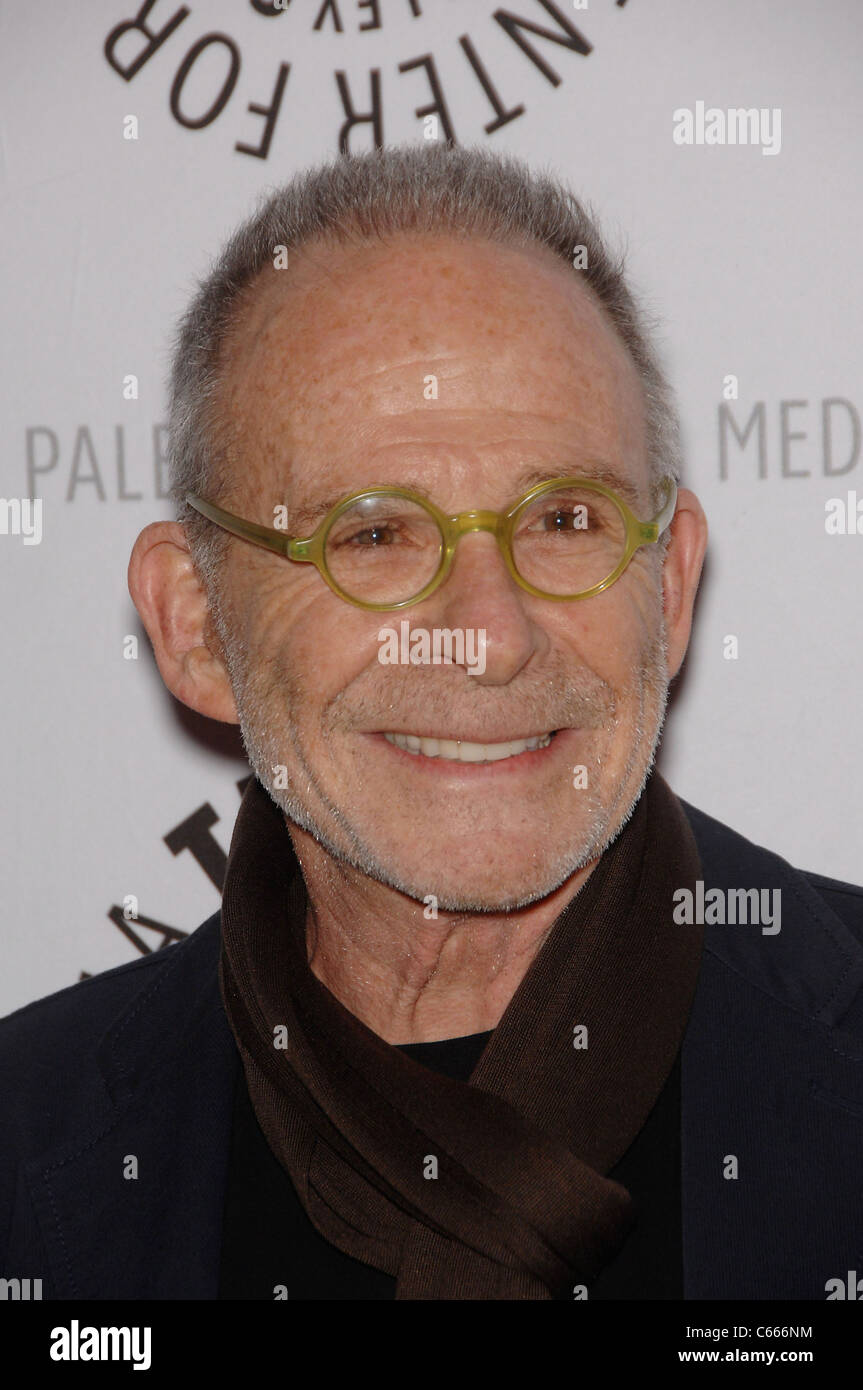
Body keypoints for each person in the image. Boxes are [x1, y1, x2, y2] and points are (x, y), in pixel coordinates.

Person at [2, 143, 862, 1302]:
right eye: (371, 535)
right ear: (196, 625)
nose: (490, 636)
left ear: (666, 586)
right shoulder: (28, 1144)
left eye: (563, 517)